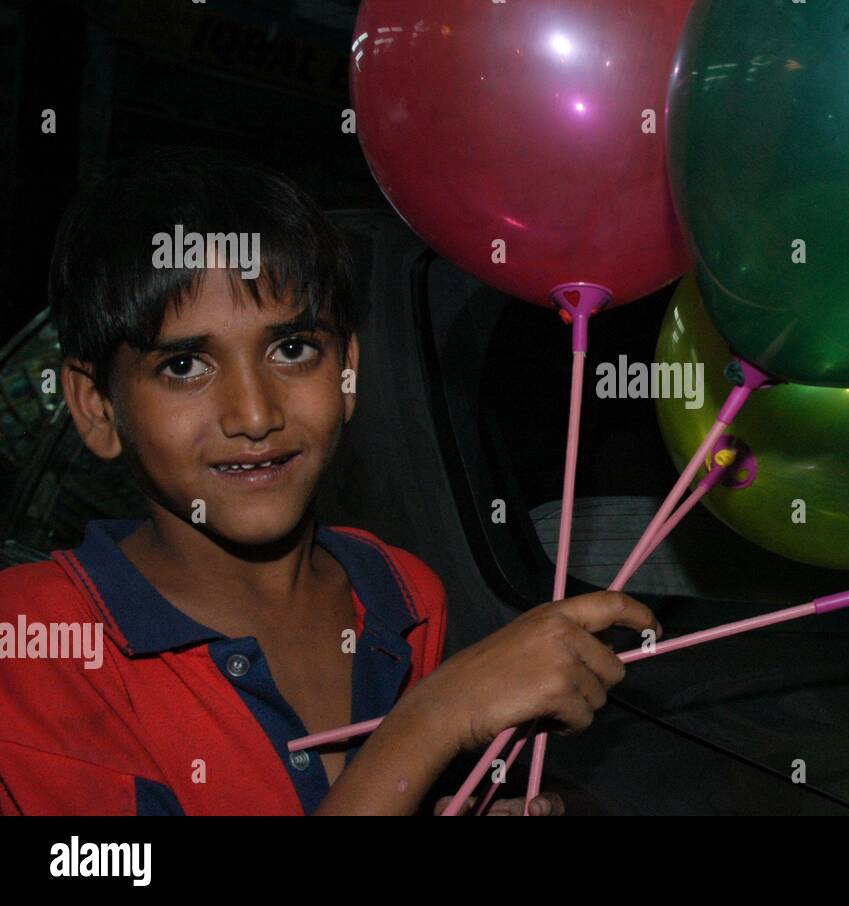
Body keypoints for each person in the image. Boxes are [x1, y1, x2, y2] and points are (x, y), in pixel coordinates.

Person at [0, 148, 658, 815]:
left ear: (346, 372)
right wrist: (427, 725)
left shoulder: (398, 594)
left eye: (292, 350)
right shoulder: (38, 639)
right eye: (183, 366)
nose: (255, 414)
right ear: (95, 406)